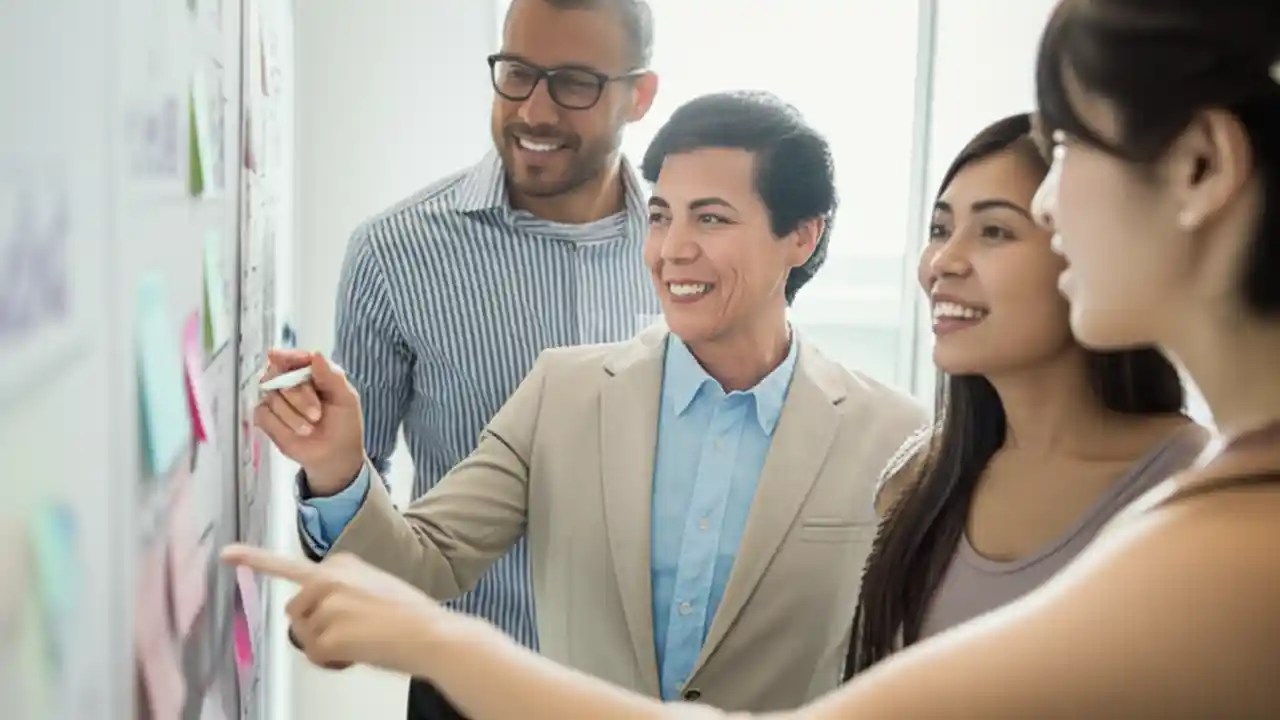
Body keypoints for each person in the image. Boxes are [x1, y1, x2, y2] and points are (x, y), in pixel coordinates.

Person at [227, 1, 1280, 715]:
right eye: (944, 224)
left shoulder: (922, 450)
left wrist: (434, 644)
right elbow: (420, 552)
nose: (1049, 205)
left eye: (1066, 155)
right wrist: (343, 485)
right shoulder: (563, 387)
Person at [256, 90, 927, 713]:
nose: (673, 250)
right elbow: (420, 563)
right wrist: (339, 467)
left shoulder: (894, 437)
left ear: (802, 237)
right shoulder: (563, 395)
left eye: (712, 219)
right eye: (661, 217)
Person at [315, 0, 659, 716]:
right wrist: (329, 477)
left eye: (573, 83)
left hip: (652, 691)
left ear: (641, 94)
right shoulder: (394, 253)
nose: (534, 109)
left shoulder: (690, 254)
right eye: (517, 73)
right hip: (465, 691)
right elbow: (354, 502)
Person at [844, 113, 1208, 676]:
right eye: (940, 229)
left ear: (1086, 253)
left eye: (995, 231)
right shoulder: (916, 478)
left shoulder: (1190, 485)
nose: (944, 262)